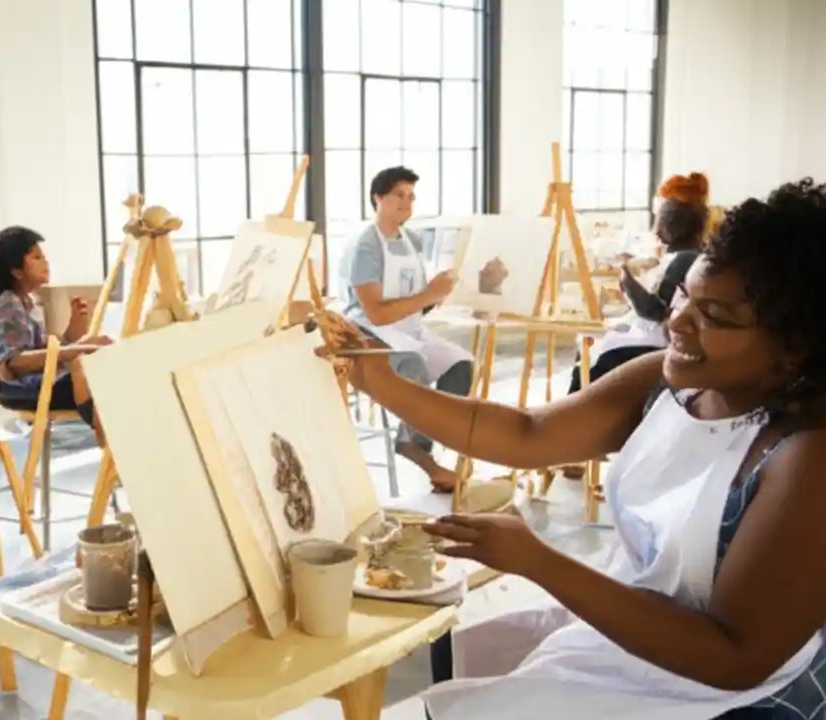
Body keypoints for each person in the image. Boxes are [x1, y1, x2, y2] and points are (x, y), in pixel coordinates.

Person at [326, 179, 826, 718]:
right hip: (638, 634)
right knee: (468, 662)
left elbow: (735, 658)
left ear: (794, 346)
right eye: (685, 297)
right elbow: (527, 433)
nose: (677, 322)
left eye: (716, 316)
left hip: (720, 691)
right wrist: (380, 381)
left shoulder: (803, 456)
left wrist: (540, 561)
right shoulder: (669, 385)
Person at [340, 166, 473, 492]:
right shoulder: (366, 246)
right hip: (368, 330)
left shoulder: (411, 240)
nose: (406, 203)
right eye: (399, 195)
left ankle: (419, 439)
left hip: (408, 328)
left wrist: (437, 296)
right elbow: (377, 312)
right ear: (378, 198)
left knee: (461, 366)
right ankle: (416, 450)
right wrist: (427, 295)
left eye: (411, 197)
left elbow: (414, 303)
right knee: (412, 367)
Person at [569, 172, 711, 393]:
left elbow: (656, 311)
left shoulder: (685, 259)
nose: (655, 229)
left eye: (660, 220)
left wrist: (626, 277)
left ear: (676, 224)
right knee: (588, 344)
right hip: (646, 333)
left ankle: (575, 413)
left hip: (653, 342)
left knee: (594, 358)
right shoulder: (680, 256)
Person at [0, 226, 110, 430]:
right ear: (16, 271)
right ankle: (103, 427)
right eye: (36, 257)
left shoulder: (27, 302)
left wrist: (73, 335)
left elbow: (42, 352)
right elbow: (14, 362)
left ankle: (105, 423)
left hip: (33, 383)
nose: (46, 263)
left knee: (99, 353)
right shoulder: (7, 304)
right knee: (92, 372)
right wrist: (77, 349)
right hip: (15, 389)